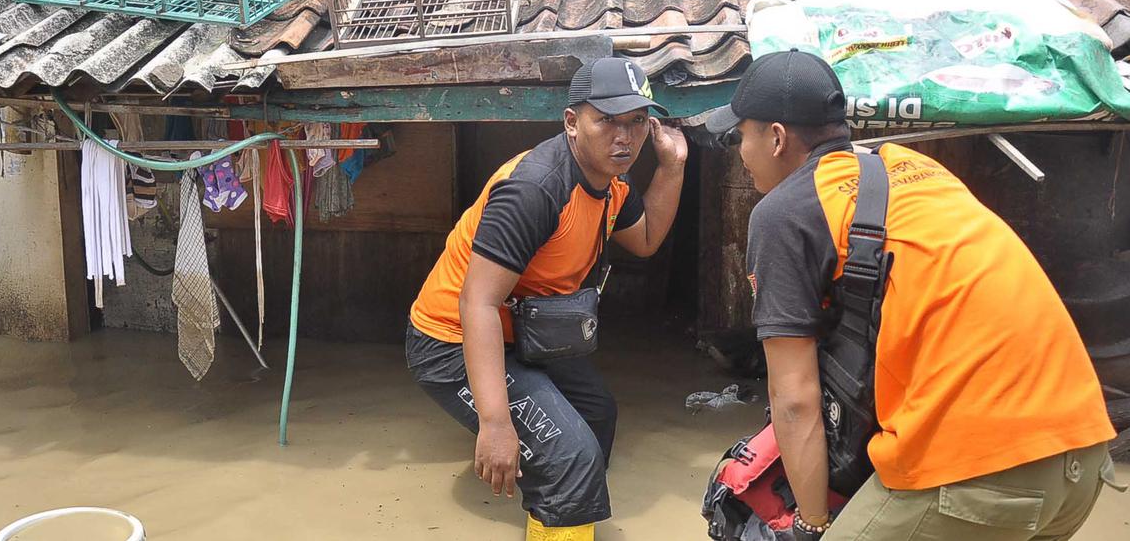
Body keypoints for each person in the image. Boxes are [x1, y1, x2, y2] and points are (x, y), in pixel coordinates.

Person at [702, 49, 1122, 541]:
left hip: (979, 471)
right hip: (1084, 454)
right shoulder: (913, 172)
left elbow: (794, 398)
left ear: (775, 138)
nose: (739, 151)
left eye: (741, 135)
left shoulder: (785, 212)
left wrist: (809, 524)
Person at [406, 57, 688, 540]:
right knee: (570, 454)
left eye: (637, 122)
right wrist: (495, 424)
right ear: (572, 123)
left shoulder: (611, 185)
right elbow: (476, 304)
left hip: (524, 333)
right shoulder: (535, 190)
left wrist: (673, 166)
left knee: (596, 414)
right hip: (449, 341)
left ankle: (556, 509)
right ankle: (562, 490)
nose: (625, 137)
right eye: (608, 121)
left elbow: (644, 241)